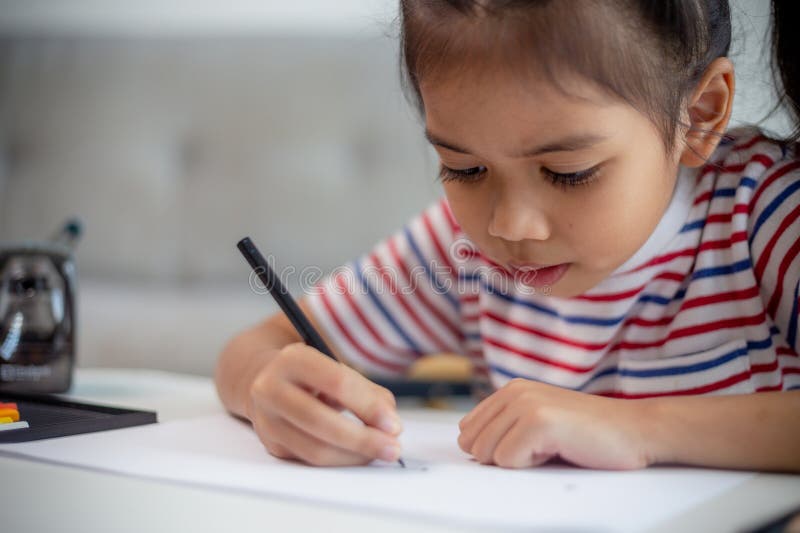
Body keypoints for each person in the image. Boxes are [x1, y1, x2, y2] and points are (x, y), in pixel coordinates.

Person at [215, 0, 800, 471]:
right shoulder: (460, 251)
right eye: (464, 168)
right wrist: (268, 389)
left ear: (699, 114)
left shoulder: (764, 213)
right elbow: (255, 348)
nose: (508, 227)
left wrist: (637, 428)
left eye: (568, 173)